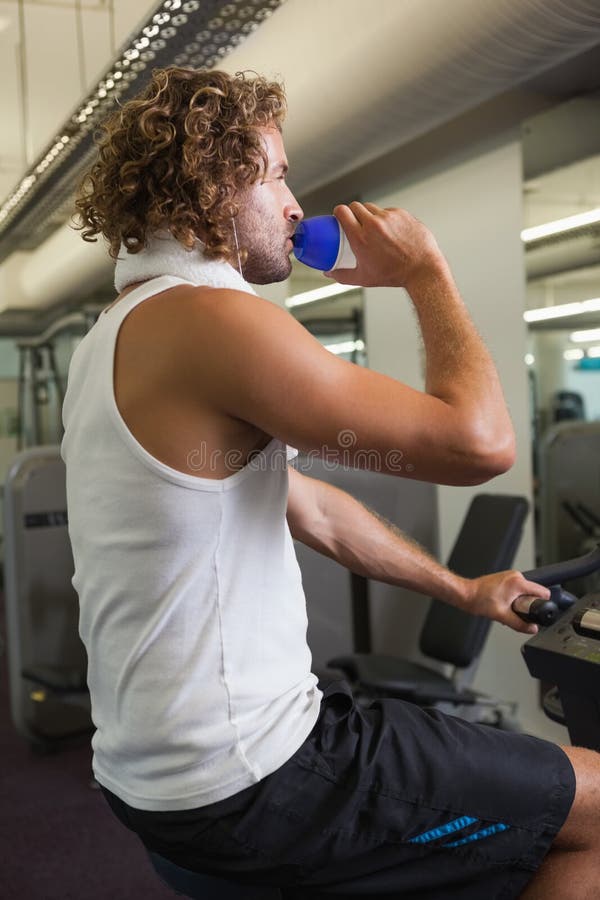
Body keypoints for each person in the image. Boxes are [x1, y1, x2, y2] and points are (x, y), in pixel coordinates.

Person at [61, 66, 599, 899]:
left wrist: (462, 589)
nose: (292, 202)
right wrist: (426, 272)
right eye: (275, 173)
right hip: (256, 779)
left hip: (164, 781)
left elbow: (311, 507)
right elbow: (481, 444)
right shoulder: (212, 320)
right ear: (213, 185)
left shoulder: (112, 339)